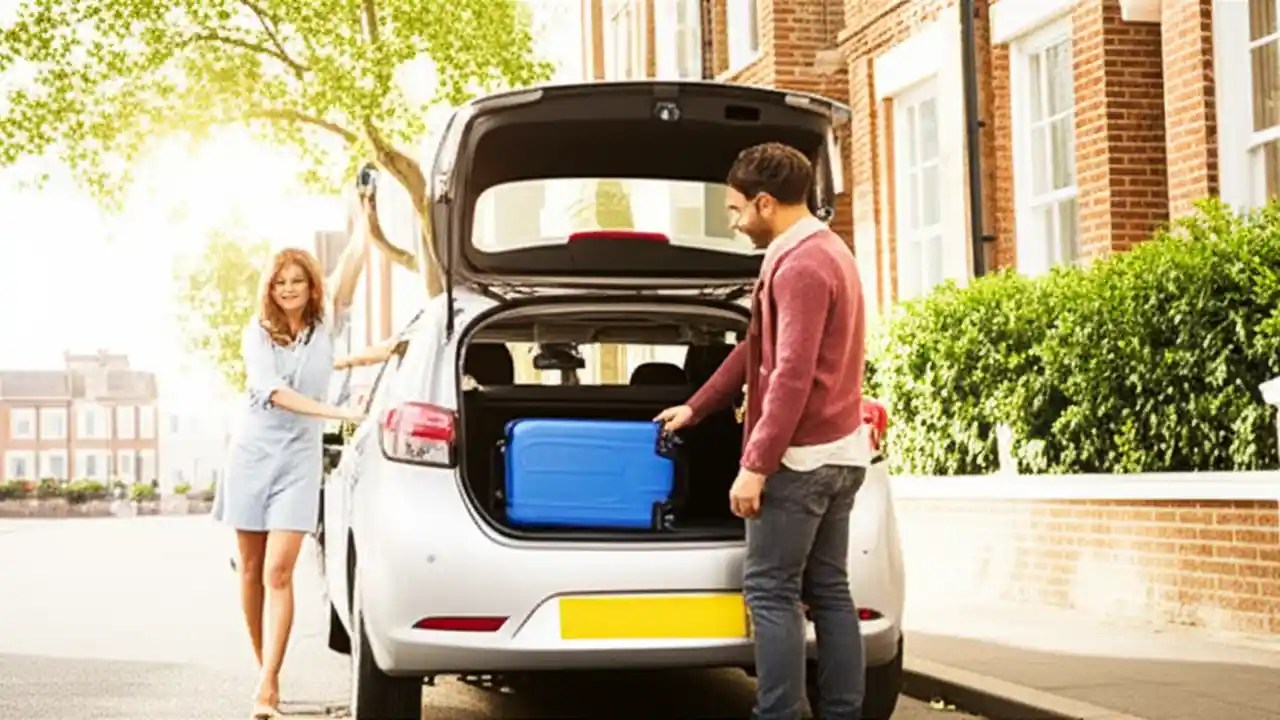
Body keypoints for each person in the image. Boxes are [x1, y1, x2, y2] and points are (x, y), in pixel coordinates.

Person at [656, 142, 870, 720]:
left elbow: (791, 376)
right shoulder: (831, 250)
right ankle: (844, 713)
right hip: (843, 453)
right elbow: (758, 347)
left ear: (765, 202)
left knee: (771, 592)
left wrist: (755, 464)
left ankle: (779, 714)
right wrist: (696, 408)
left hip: (801, 461)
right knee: (828, 591)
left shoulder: (798, 266)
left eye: (735, 210)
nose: (733, 222)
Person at [213, 244, 367, 720]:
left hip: (299, 463)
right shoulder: (256, 335)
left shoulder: (326, 328)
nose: (287, 289)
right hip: (252, 456)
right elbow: (277, 394)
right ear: (269, 289)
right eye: (279, 283)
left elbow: (352, 269)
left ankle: (269, 683)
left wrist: (366, 214)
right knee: (252, 570)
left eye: (296, 281)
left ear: (310, 285)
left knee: (279, 571)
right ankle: (266, 671)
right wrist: (341, 413)